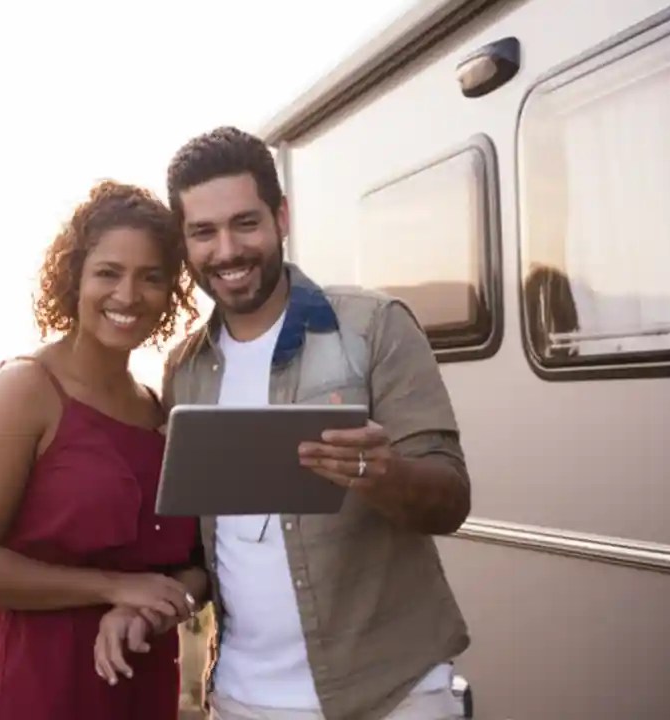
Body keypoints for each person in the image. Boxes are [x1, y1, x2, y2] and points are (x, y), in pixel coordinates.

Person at [98, 126, 473, 720]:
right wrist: (149, 603)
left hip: (392, 695)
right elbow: (203, 550)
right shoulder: (184, 371)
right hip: (242, 699)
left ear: (281, 217)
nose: (227, 251)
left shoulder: (374, 326)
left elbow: (450, 500)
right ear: (185, 242)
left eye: (245, 223)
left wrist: (382, 474)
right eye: (204, 232)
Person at [0, 179, 210, 720]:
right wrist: (113, 588)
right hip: (30, 688)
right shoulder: (25, 391)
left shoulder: (161, 409)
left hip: (137, 683)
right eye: (108, 272)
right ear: (74, 277)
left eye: (151, 277)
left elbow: (196, 564)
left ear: (171, 292)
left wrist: (147, 610)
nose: (128, 295)